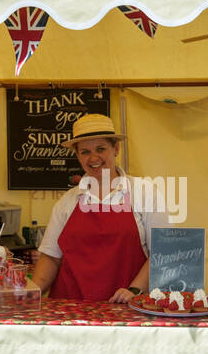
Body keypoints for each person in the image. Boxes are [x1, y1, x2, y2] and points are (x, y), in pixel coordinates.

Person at [31, 114, 166, 302]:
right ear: (77, 156)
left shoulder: (144, 192)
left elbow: (162, 252)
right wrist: (32, 291)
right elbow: (51, 257)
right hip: (70, 308)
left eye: (101, 149)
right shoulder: (67, 202)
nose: (94, 158)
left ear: (116, 149)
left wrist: (135, 290)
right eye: (85, 152)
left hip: (126, 306)